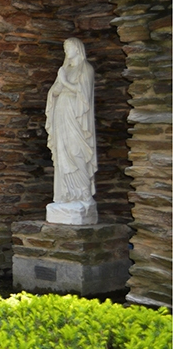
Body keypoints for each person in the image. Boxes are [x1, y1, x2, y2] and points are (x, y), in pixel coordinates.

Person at [45, 38, 97, 222]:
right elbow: (54, 92)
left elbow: (84, 94)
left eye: (69, 47)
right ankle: (66, 194)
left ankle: (83, 194)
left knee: (76, 151)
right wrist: (58, 85)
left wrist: (65, 82)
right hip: (61, 114)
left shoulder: (86, 69)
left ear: (77, 48)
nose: (66, 50)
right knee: (63, 151)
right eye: (64, 48)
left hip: (77, 116)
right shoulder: (64, 69)